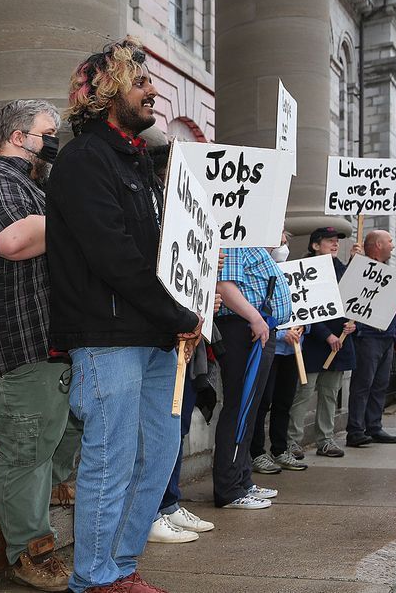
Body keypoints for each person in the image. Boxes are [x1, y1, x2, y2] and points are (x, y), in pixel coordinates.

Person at [46, 37, 202, 593]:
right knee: (111, 463)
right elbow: (114, 257)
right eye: (140, 82)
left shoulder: (136, 161)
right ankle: (93, 577)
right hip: (109, 337)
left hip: (156, 336)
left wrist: (184, 307)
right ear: (109, 91)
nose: (152, 91)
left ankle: (121, 566)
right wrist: (178, 311)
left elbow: (162, 255)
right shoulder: (83, 161)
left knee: (156, 459)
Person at [0, 99, 78, 591]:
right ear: (17, 135)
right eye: (47, 132)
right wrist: (86, 216)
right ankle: (29, 549)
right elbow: (10, 241)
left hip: (42, 337)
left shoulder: (34, 185)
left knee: (47, 438)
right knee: (26, 447)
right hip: (14, 336)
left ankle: (43, 511)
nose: (53, 140)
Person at [145, 143, 216, 544]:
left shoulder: (186, 217)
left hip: (185, 341)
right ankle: (153, 509)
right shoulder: (154, 213)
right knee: (158, 429)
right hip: (159, 336)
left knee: (177, 425)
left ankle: (168, 503)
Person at [214, 245, 291, 509]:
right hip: (244, 329)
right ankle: (229, 488)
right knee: (240, 407)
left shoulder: (253, 243)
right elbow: (224, 285)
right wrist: (255, 317)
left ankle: (242, 479)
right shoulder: (237, 239)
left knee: (249, 410)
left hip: (256, 328)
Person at [286, 227, 357, 459]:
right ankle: (293, 441)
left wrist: (353, 324)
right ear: (315, 245)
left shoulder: (344, 270)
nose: (335, 244)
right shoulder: (302, 270)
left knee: (329, 394)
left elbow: (355, 302)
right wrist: (326, 334)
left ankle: (325, 440)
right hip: (313, 343)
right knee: (304, 392)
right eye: (329, 241)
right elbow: (305, 308)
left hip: (341, 341)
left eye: (336, 241)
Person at [250, 233, 310, 474]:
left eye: (285, 241)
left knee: (284, 401)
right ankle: (256, 452)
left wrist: (304, 325)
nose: (283, 245)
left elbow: (308, 305)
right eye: (280, 239)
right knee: (262, 402)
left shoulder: (297, 271)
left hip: (293, 351)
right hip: (272, 346)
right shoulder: (260, 270)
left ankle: (279, 448)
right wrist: (283, 332)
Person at [346, 230, 396, 445]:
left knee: (380, 384)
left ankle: (374, 426)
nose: (393, 245)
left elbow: (393, 305)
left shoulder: (388, 271)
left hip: (386, 336)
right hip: (367, 336)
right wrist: (353, 262)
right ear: (378, 245)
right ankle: (355, 430)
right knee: (363, 385)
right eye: (390, 241)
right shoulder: (359, 268)